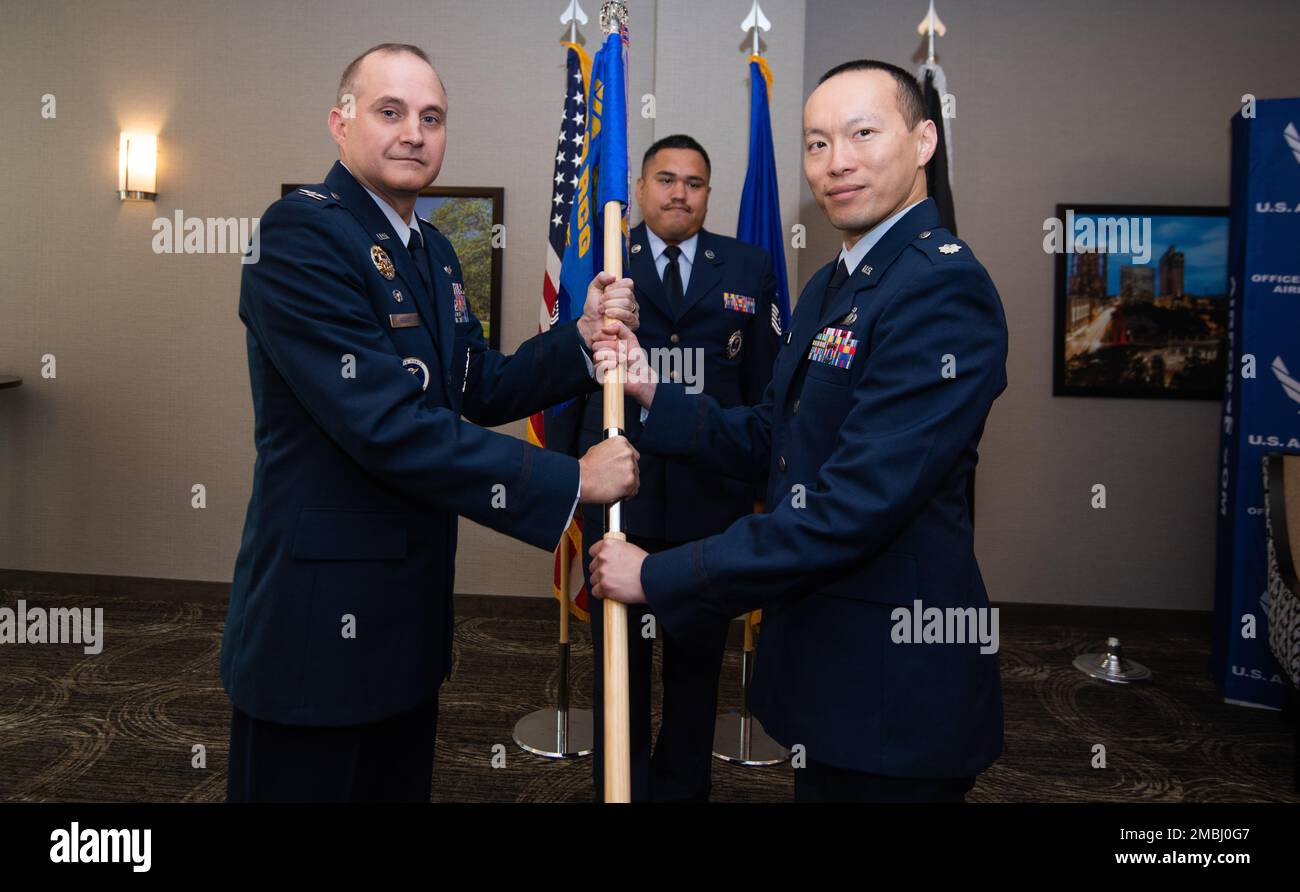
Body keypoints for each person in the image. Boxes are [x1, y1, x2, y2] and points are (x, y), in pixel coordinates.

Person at [221, 42, 641, 802]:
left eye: (432, 117)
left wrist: (577, 343)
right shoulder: (298, 236)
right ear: (339, 124)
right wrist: (570, 479)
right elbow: (385, 423)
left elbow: (474, 382)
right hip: (317, 627)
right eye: (391, 111)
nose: (414, 132)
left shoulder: (435, 248)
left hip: (407, 620)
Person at [589, 59, 1008, 802]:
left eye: (862, 133)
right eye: (816, 143)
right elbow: (770, 438)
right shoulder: (834, 283)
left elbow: (851, 506)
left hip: (895, 690)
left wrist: (656, 575)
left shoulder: (940, 287)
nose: (836, 162)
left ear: (922, 142)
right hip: (830, 665)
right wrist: (652, 388)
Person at [547, 134, 781, 801]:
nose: (680, 192)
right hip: (623, 499)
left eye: (695, 182)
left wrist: (765, 490)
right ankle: (619, 790)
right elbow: (571, 380)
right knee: (617, 670)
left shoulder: (748, 265)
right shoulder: (600, 267)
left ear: (709, 192)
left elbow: (763, 390)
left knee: (694, 673)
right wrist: (567, 480)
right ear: (642, 188)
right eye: (666, 179)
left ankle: (681, 794)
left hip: (712, 504)